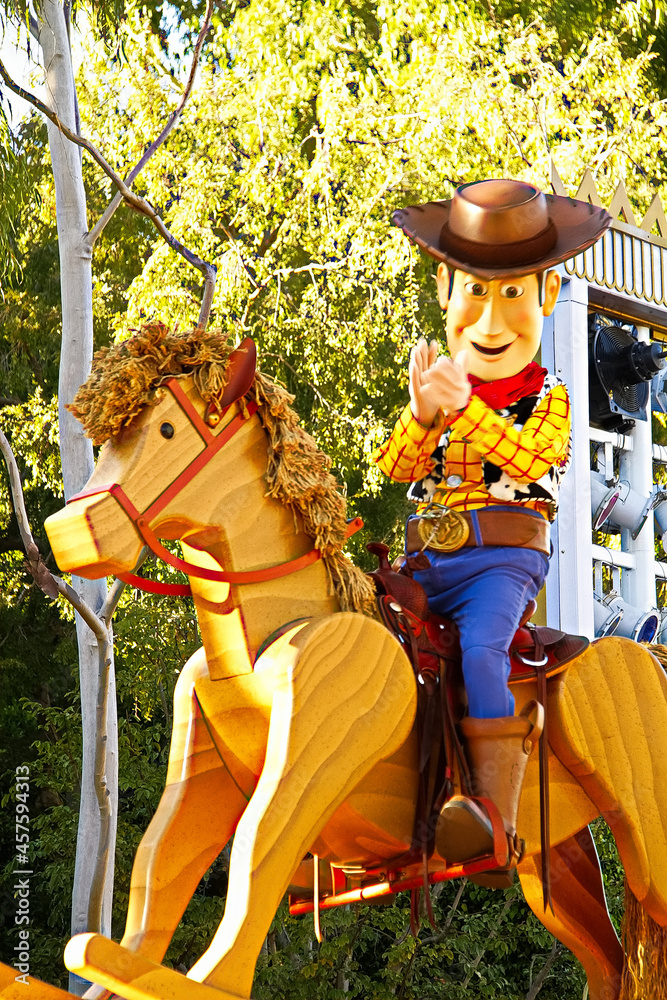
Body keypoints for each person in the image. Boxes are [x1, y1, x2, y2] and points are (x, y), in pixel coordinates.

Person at [374, 178, 610, 867]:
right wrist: (422, 413)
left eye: (512, 294)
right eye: (475, 292)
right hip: (425, 563)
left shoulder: (549, 396)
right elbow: (395, 466)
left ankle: (492, 821)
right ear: (445, 292)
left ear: (546, 295)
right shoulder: (439, 389)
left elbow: (534, 459)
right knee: (353, 631)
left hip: (503, 563)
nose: (491, 319)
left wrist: (465, 410)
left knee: (481, 652)